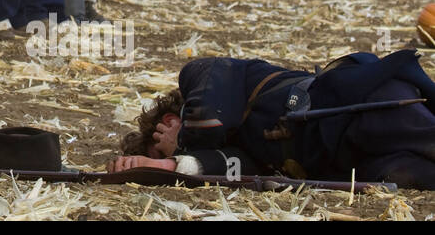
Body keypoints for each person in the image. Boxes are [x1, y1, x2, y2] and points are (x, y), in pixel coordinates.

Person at [110, 51, 435, 189]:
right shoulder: (236, 150)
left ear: (168, 120)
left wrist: (181, 142)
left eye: (162, 151)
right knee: (404, 176)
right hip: (350, 154)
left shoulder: (202, 77)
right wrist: (168, 168)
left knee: (413, 135)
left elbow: (210, 120)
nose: (178, 156)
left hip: (360, 106)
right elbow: (233, 167)